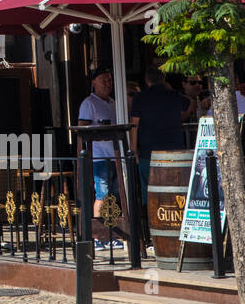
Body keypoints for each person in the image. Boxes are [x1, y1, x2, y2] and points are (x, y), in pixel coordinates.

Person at [130, 67, 187, 218]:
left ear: (147, 80)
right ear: (163, 78)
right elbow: (190, 105)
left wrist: (133, 150)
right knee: (174, 190)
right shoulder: (174, 95)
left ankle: (151, 227)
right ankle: (174, 224)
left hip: (149, 151)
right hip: (175, 150)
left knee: (149, 192)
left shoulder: (140, 98)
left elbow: (134, 124)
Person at [77, 68, 123, 249]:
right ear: (93, 83)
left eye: (109, 80)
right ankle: (99, 236)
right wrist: (99, 132)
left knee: (114, 195)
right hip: (99, 157)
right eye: (103, 80)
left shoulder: (113, 103)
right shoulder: (89, 103)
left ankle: (111, 233)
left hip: (114, 156)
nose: (107, 83)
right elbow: (82, 128)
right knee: (102, 194)